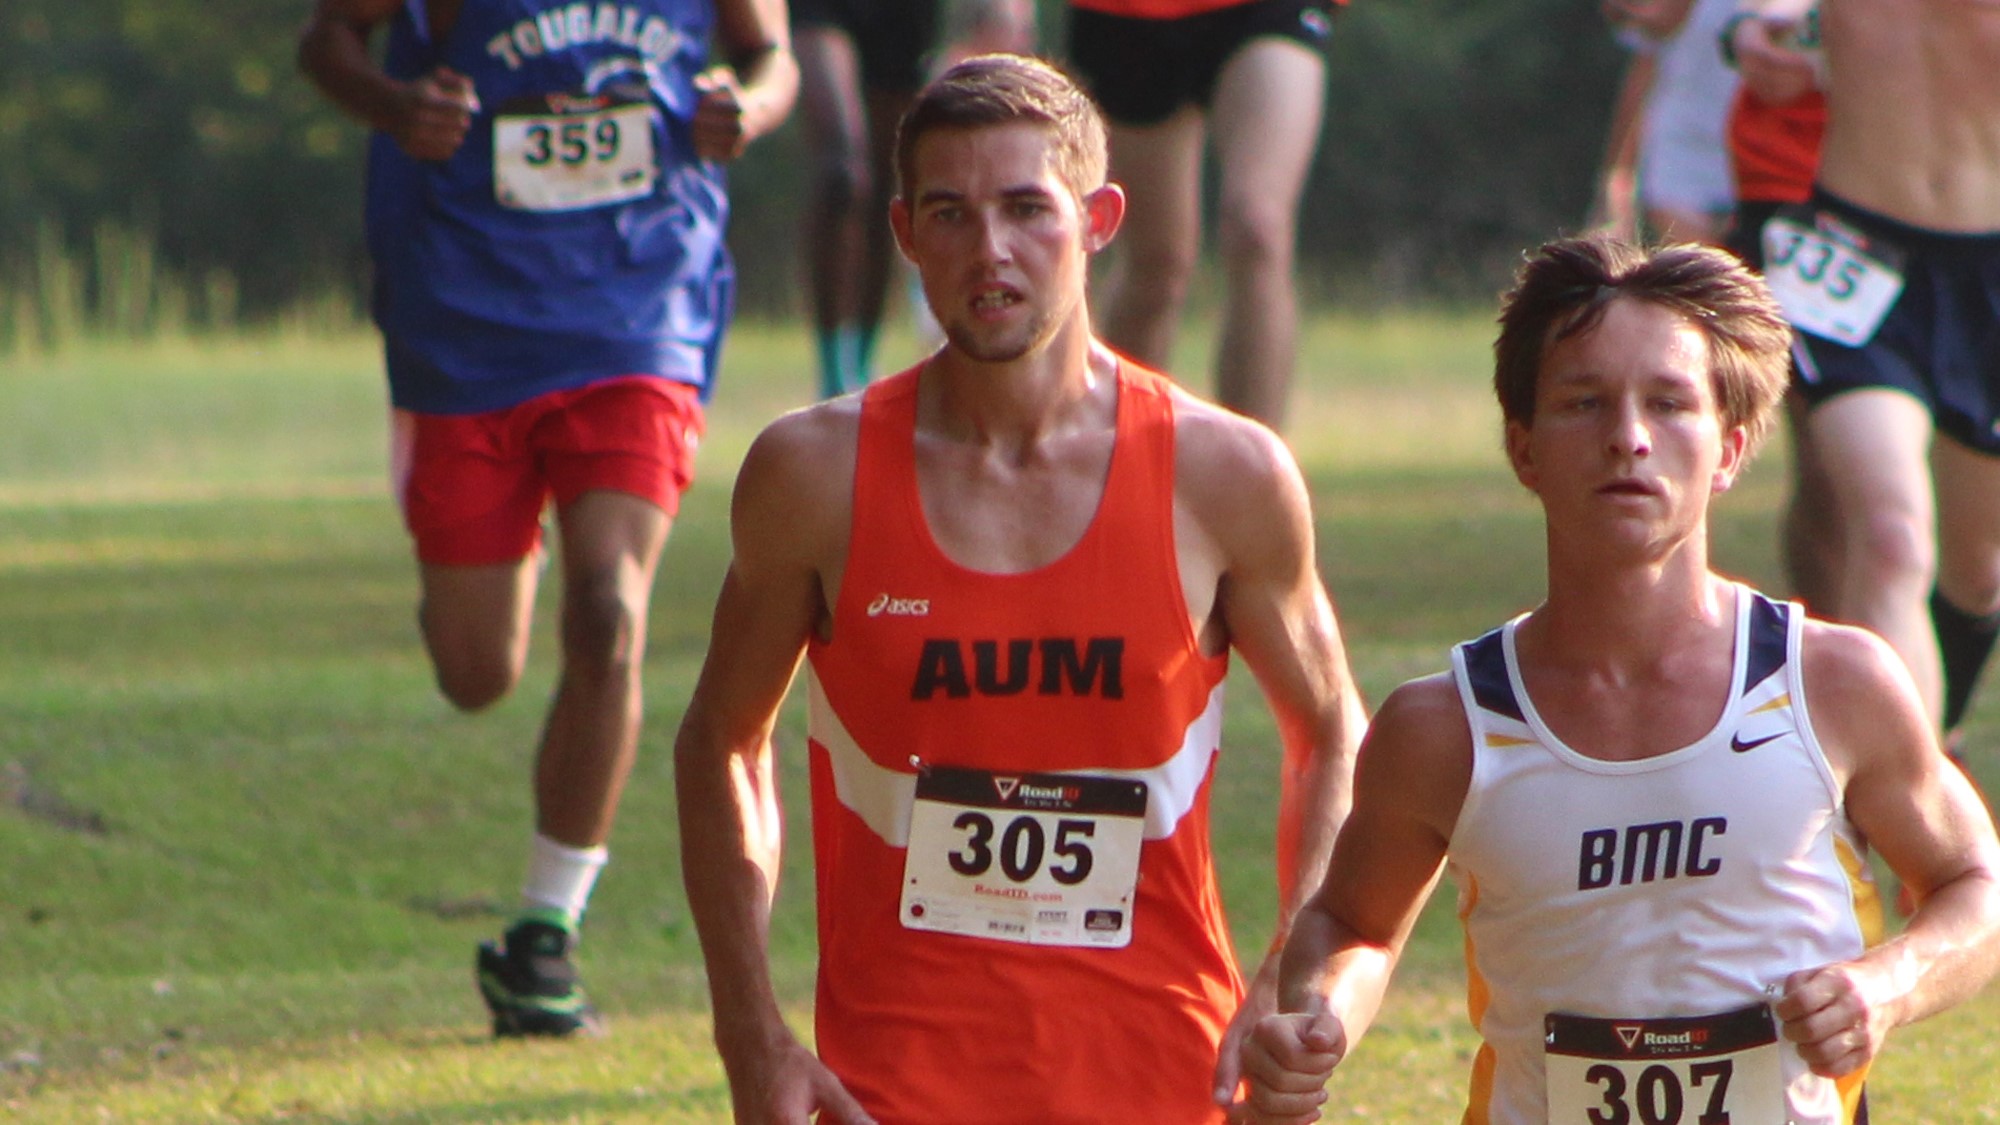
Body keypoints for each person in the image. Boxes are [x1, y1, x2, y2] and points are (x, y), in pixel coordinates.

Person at [675, 54, 1367, 1124]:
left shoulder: (1223, 474)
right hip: (892, 1091)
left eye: (1025, 209)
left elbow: (1330, 731)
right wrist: (749, 1036)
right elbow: (722, 741)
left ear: (1097, 220)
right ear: (903, 235)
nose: (988, 250)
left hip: (1172, 1083)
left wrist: (1291, 962)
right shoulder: (812, 476)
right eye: (948, 214)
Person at [1237, 237, 2000, 1125]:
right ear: (1523, 448)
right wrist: (1316, 1018)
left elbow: (1973, 880)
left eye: (1669, 402)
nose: (1628, 437)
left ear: (1730, 447)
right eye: (1584, 401)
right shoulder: (1445, 725)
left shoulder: (1836, 683)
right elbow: (1352, 924)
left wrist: (1886, 983)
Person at [297, 0, 797, 1037]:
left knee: (611, 613)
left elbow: (769, 55)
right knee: (475, 673)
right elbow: (325, 41)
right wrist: (398, 105)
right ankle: (460, 589)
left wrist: (740, 109)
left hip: (638, 309)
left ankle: (544, 933)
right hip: (464, 316)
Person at [1730, 0, 2000, 753]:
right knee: (1891, 535)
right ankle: (1889, 810)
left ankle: (1927, 745)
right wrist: (1752, 30)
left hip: (1990, 273)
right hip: (1856, 257)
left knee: (1979, 573)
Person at [1066, 0, 1341, 431]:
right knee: (1157, 268)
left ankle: (1253, 483)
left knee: (1258, 225)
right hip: (1130, 17)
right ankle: (1114, 465)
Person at [793, 0, 939, 398]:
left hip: (899, 17)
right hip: (821, 11)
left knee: (888, 189)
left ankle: (861, 366)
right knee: (842, 172)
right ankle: (833, 376)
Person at [1590, 0, 1741, 245]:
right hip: (1679, 154)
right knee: (1695, 273)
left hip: (1756, 151)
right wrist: (1618, 174)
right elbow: (1644, 69)